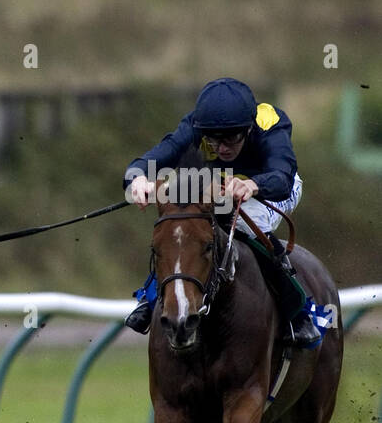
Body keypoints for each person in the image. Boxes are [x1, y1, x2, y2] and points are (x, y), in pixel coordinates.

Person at [123, 77, 318, 347]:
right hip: (221, 183)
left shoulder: (269, 123)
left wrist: (254, 184)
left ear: (249, 129)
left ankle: (296, 312)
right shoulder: (194, 126)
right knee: (183, 225)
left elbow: (282, 178)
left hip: (272, 186)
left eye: (232, 138)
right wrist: (139, 178)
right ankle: (152, 296)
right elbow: (151, 158)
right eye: (214, 140)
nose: (222, 147)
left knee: (248, 222)